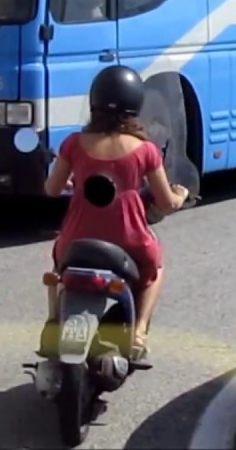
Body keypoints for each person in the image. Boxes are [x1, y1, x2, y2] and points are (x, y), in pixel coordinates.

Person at [39, 65, 189, 358]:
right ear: (136, 104)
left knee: (58, 271)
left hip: (76, 239)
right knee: (155, 269)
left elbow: (52, 190)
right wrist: (181, 195)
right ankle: (139, 332)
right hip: (129, 241)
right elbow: (165, 202)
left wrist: (74, 182)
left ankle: (53, 322)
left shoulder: (73, 144)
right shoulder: (145, 150)